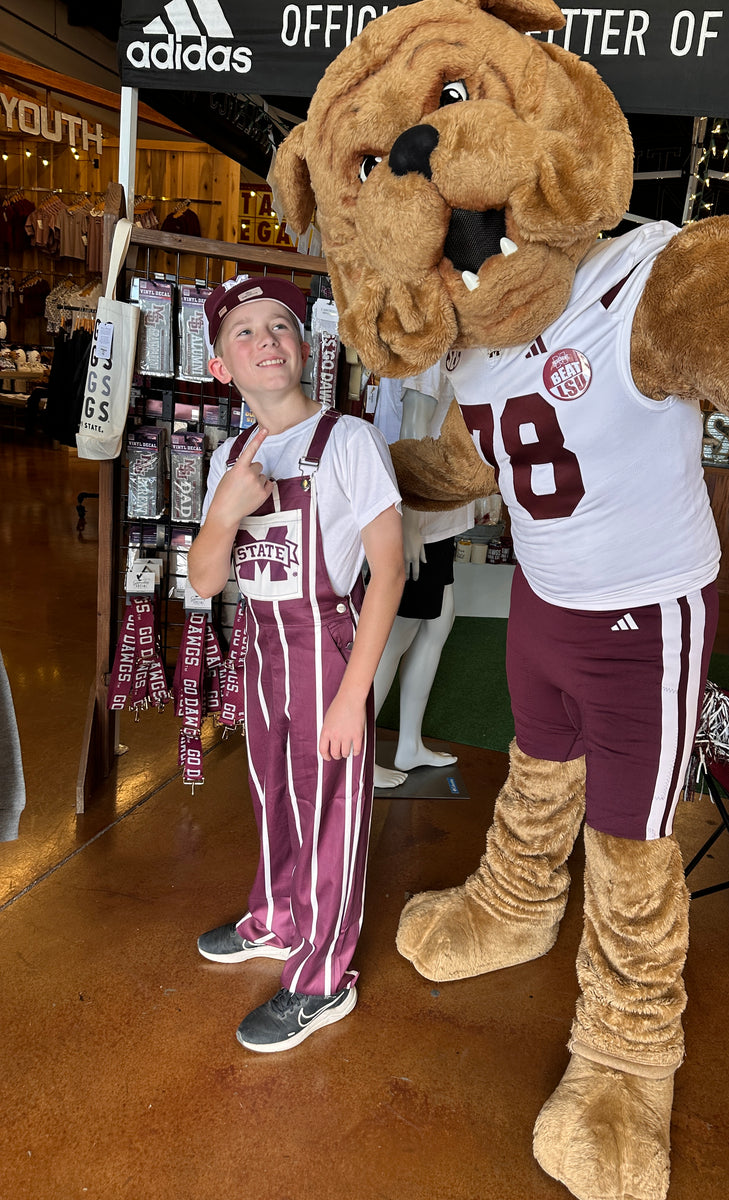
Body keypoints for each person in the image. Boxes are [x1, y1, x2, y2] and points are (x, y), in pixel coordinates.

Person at [188, 276, 405, 1054]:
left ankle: (322, 978)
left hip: (325, 644)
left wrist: (353, 695)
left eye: (279, 326)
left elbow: (389, 571)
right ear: (221, 367)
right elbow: (205, 581)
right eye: (244, 332)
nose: (266, 341)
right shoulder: (230, 457)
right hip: (261, 644)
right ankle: (277, 920)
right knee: (272, 795)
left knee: (330, 812)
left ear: (305, 349)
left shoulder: (348, 441)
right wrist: (225, 510)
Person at [371, 366, 475, 788]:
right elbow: (413, 427)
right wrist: (411, 521)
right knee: (393, 636)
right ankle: (355, 753)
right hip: (420, 520)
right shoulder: (432, 352)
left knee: (437, 623)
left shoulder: (452, 351)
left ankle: (409, 744)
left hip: (438, 516)